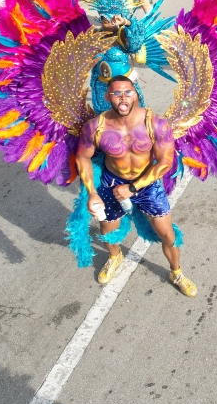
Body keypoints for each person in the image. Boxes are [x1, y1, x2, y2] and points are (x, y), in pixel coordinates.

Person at [76, 76, 197, 295]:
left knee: (167, 235)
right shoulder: (96, 127)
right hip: (111, 183)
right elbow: (82, 157)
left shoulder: (156, 124)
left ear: (136, 94)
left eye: (127, 92)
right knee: (108, 232)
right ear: (107, 97)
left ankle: (176, 272)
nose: (123, 98)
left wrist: (132, 189)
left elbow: (165, 162)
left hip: (148, 184)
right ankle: (115, 256)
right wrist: (92, 193)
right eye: (116, 93)